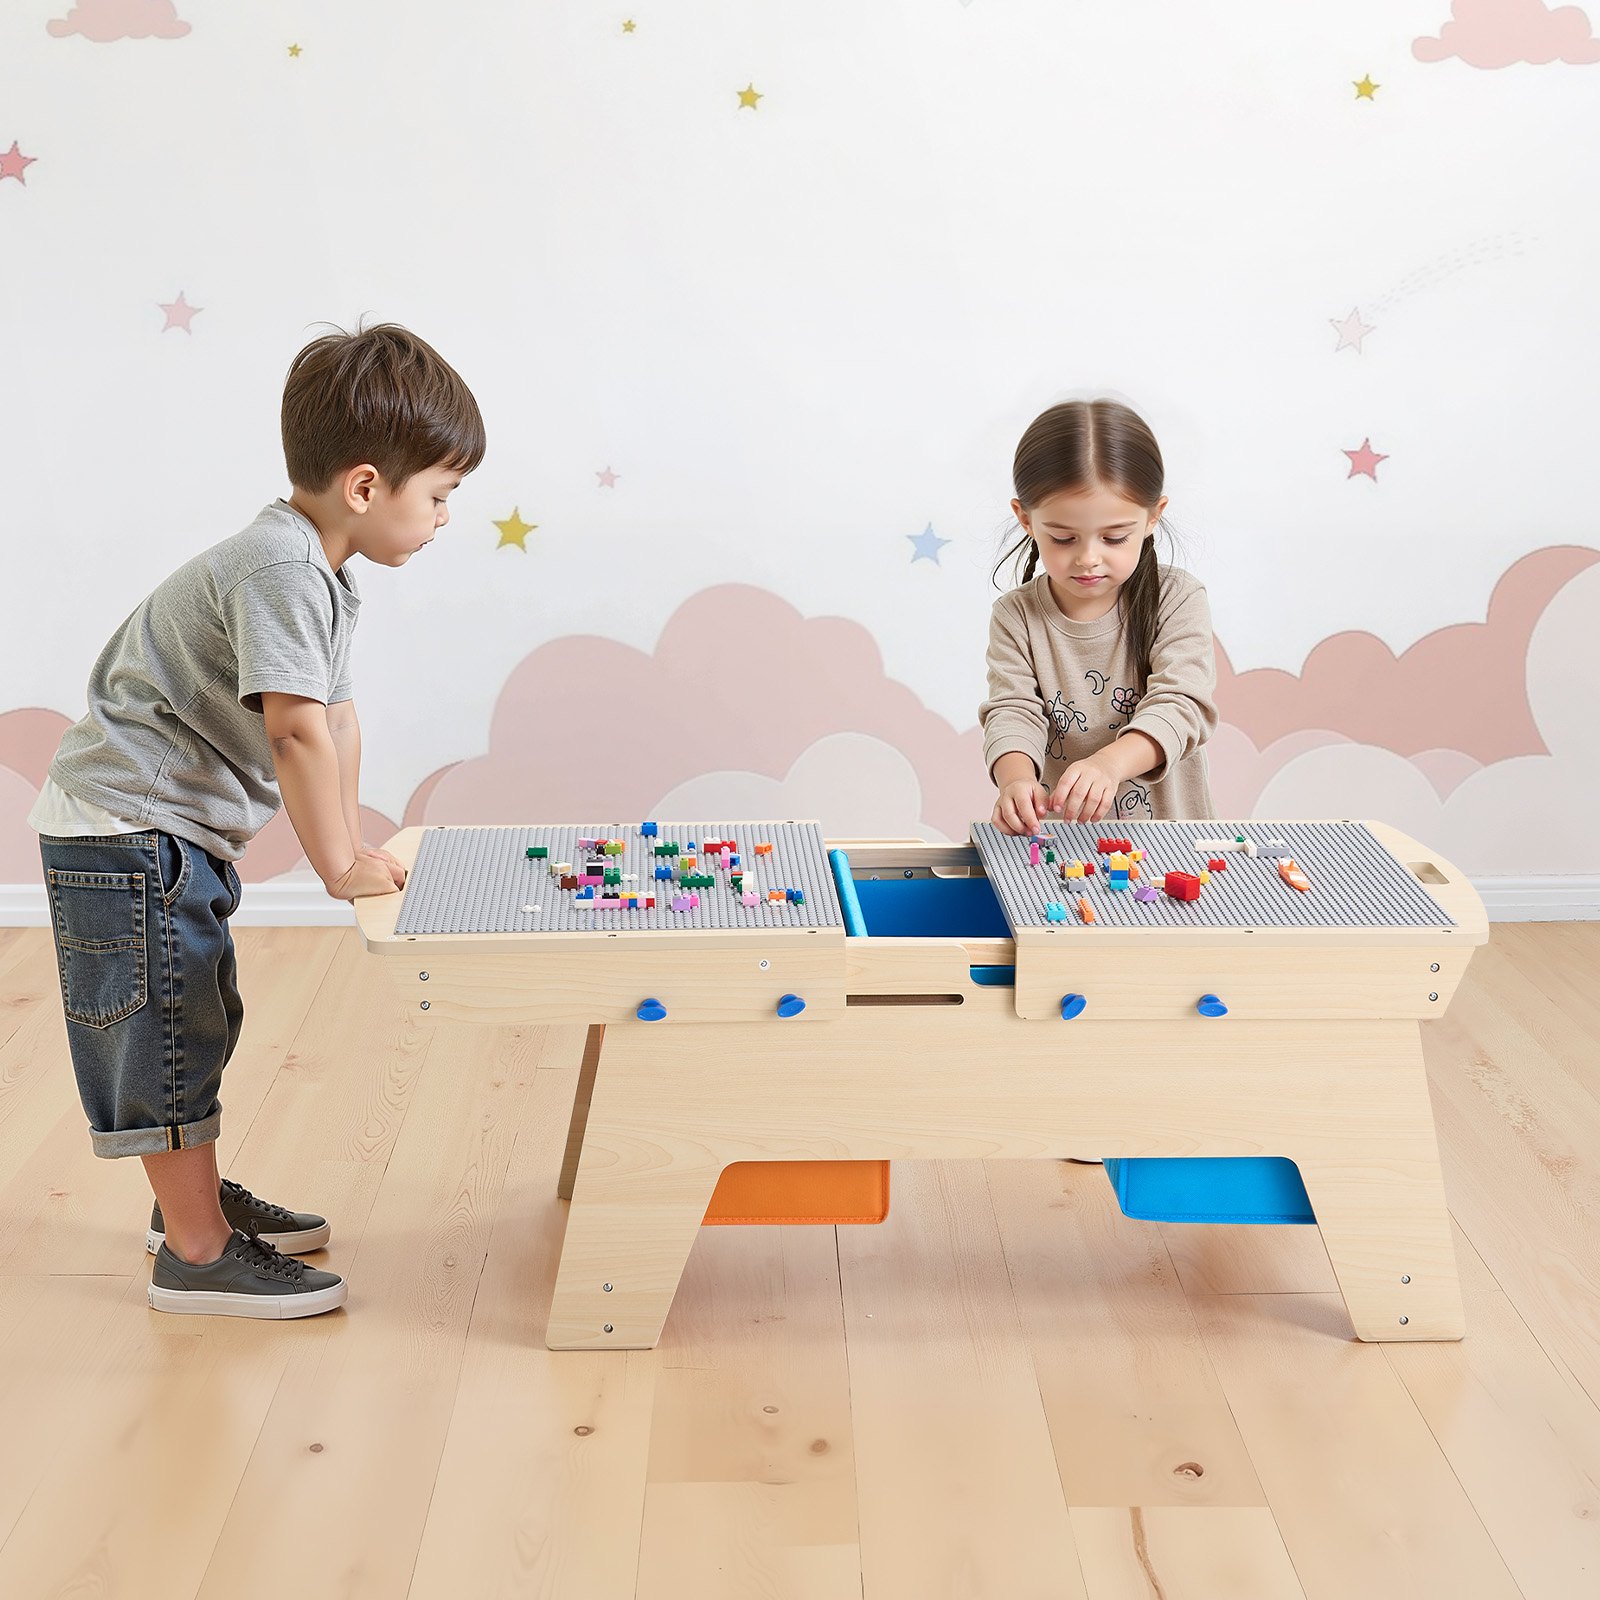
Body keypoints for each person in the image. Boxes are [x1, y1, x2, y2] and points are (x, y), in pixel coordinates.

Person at [31, 322, 484, 1318]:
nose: (446, 516)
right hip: (124, 827)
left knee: (197, 1016)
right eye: (441, 494)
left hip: (157, 827)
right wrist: (334, 866)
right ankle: (195, 1254)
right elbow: (294, 734)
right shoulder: (280, 572)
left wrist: (356, 846)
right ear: (367, 487)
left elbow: (334, 717)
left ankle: (190, 1205)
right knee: (163, 1036)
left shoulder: (316, 572)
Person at [980, 397, 1218, 833]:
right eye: (1064, 538)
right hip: (1063, 843)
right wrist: (1015, 780)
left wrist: (1110, 763)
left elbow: (1182, 704)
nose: (1088, 558)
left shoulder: (1177, 599)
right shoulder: (1016, 616)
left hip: (1171, 841)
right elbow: (1012, 709)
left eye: (1113, 537)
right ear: (1026, 520)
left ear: (1152, 517)